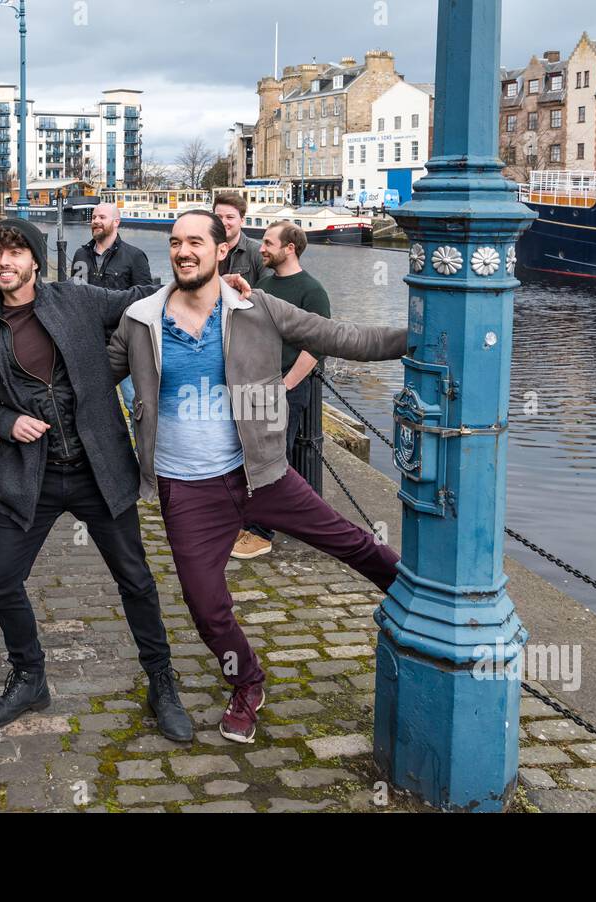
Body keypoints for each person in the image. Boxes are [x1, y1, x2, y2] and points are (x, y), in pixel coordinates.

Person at [106, 210, 405, 744]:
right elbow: (92, 377)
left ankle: (415, 600)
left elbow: (341, 337)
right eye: (175, 242)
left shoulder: (257, 306)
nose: (183, 251)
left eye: (196, 241)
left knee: (351, 541)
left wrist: (422, 337)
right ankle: (247, 682)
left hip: (260, 474)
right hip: (186, 488)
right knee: (206, 607)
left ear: (223, 250)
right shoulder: (142, 319)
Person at [0, 220, 250, 737]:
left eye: (16, 252)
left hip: (99, 469)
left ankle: (162, 683)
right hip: (32, 474)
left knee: (135, 579)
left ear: (34, 260)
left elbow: (147, 294)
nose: (5, 263)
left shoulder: (77, 299)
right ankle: (30, 677)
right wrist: (4, 420)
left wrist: (220, 285)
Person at [233, 221, 332, 560]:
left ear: (290, 248)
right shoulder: (264, 283)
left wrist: (287, 384)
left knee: (274, 460)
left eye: (269, 243)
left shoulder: (311, 290)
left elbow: (318, 345)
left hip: (284, 389)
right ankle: (250, 522)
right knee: (250, 455)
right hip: (255, 383)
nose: (262, 248)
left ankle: (262, 534)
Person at [70, 202, 154, 412]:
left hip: (124, 344)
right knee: (88, 403)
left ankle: (142, 446)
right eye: (94, 217)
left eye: (102, 217)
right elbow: (76, 294)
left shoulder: (134, 256)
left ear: (116, 222)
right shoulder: (81, 255)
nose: (96, 221)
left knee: (135, 403)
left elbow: (145, 299)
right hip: (89, 342)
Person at [213, 192, 266, 286]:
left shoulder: (258, 253)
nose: (223, 222)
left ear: (242, 221)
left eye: (230, 217)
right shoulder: (203, 250)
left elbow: (267, 293)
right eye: (218, 217)